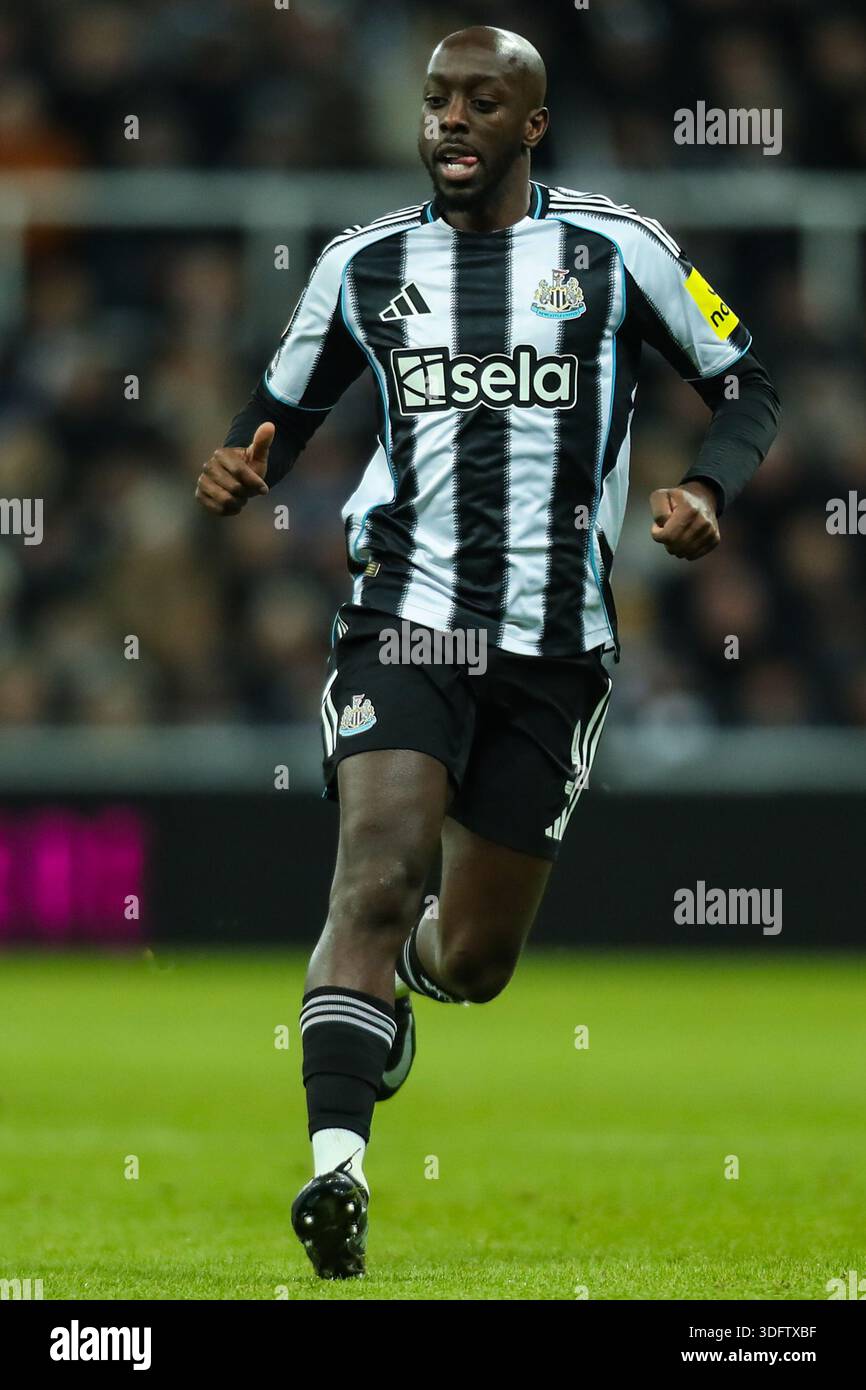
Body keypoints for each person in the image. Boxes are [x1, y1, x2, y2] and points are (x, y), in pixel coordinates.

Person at [195, 25, 780, 1279]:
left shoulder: (614, 251)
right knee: (374, 873)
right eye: (433, 102)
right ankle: (335, 1172)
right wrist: (243, 461)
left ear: (532, 125)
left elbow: (747, 385)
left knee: (472, 955)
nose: (449, 121)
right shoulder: (364, 266)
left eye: (479, 102)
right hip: (406, 616)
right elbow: (278, 412)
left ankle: (395, 987)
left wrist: (706, 490)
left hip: (555, 648)